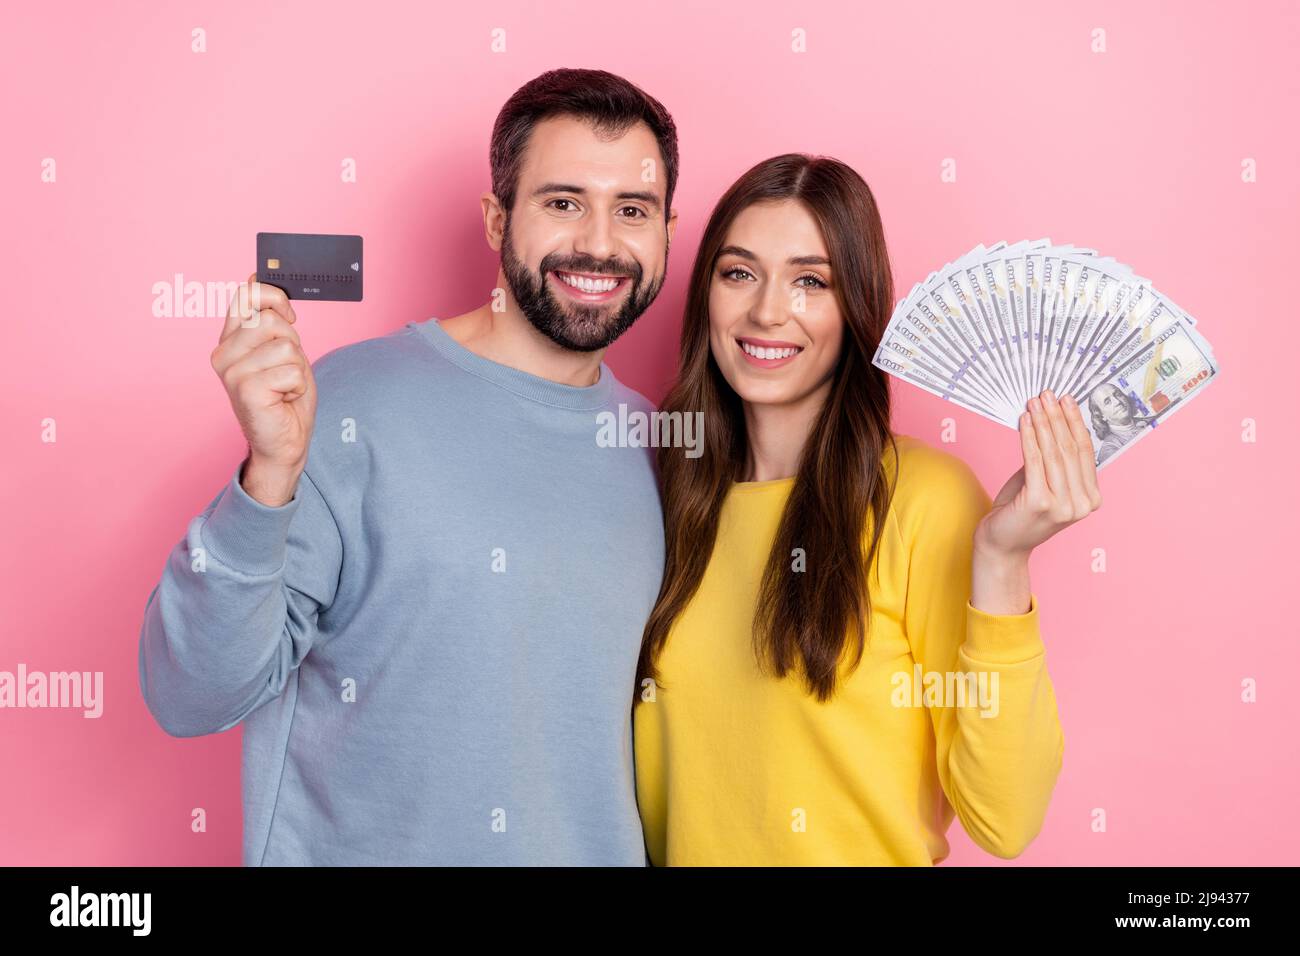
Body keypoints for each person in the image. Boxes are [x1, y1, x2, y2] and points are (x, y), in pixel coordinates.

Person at [138, 68, 679, 865]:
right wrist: (269, 478)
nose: (599, 242)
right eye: (563, 202)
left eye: (631, 210)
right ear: (498, 221)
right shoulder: (346, 405)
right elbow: (190, 694)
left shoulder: (665, 449)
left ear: (668, 230)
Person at [632, 154, 1102, 865]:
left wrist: (1003, 561)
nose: (766, 310)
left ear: (856, 305)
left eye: (810, 281)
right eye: (739, 273)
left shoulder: (926, 499)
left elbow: (1004, 819)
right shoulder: (662, 493)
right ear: (706, 293)